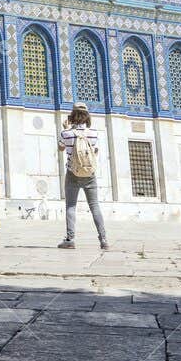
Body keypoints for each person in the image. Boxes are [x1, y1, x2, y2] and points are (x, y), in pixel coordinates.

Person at [58, 102, 109, 250]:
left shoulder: (66, 134)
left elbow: (61, 148)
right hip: (90, 174)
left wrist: (66, 129)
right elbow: (96, 152)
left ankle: (70, 239)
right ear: (87, 116)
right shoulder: (93, 133)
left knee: (71, 206)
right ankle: (103, 239)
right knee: (94, 206)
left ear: (72, 116)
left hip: (72, 173)